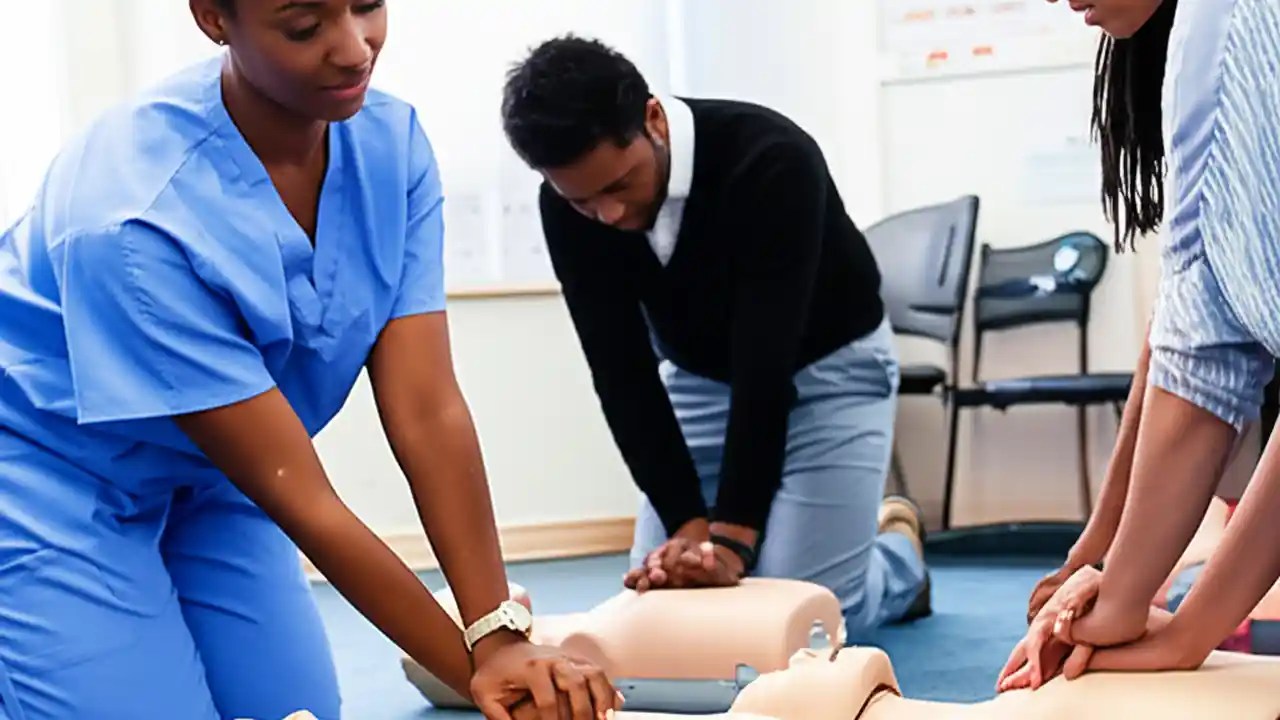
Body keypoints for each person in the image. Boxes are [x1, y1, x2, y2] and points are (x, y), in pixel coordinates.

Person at [0, 2, 620, 719]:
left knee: (294, 713)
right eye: (305, 26)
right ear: (213, 18)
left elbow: (427, 409)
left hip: (214, 482)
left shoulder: (390, 143)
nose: (355, 49)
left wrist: (498, 634)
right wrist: (489, 674)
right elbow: (300, 492)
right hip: (49, 472)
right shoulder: (131, 217)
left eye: (368, 5)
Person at [498, 35, 930, 642]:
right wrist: (688, 528)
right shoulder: (567, 206)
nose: (609, 215)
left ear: (653, 119)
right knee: (667, 606)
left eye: (620, 185)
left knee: (813, 620)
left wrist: (731, 536)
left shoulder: (772, 158)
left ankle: (898, 558)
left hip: (833, 370)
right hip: (700, 378)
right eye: (583, 200)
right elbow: (620, 370)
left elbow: (765, 363)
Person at [1004, 0, 1280, 685]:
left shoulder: (1230, 19)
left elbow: (1202, 354)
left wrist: (1177, 624)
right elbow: (1186, 330)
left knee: (1218, 603)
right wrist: (1102, 558)